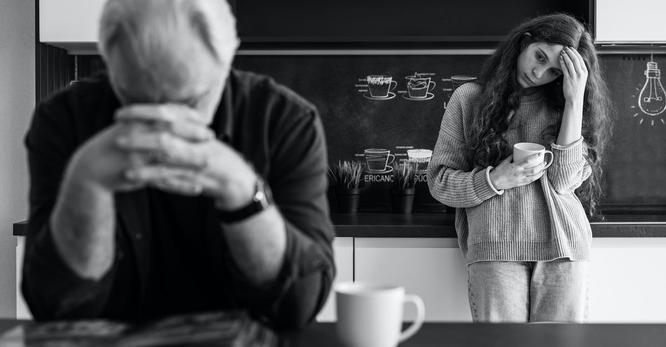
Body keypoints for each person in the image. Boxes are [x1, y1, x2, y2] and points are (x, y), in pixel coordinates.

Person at [22, 0, 335, 330]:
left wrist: (243, 191)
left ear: (228, 56)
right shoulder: (64, 121)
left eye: (188, 102)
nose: (163, 123)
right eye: (136, 99)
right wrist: (85, 182)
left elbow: (299, 304)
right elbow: (54, 307)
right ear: (109, 62)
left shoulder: (285, 120)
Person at [427, 13, 612, 323]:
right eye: (539, 56)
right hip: (495, 247)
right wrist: (496, 178)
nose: (539, 72)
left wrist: (574, 99)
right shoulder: (468, 99)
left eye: (554, 71)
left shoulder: (565, 107)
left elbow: (565, 181)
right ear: (524, 42)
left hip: (564, 249)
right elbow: (440, 181)